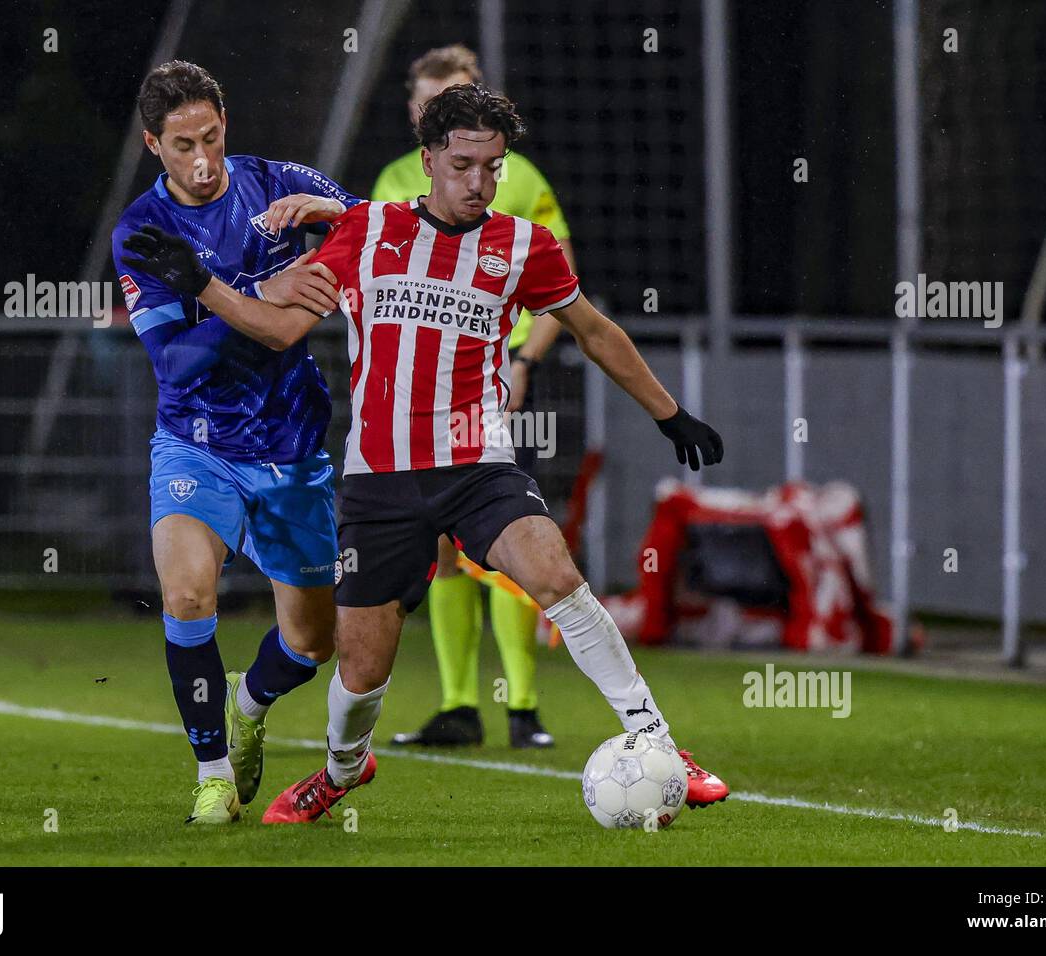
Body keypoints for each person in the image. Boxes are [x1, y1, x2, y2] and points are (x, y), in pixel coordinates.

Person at [240, 83, 730, 823]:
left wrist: (670, 414)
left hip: (479, 465)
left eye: (493, 166)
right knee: (362, 668)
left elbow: (593, 330)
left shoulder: (523, 245)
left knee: (558, 576)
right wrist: (213, 286)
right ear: (429, 158)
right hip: (380, 481)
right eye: (464, 164)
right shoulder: (367, 231)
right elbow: (280, 317)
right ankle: (342, 772)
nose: (480, 182)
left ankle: (657, 738)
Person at [111, 60, 360, 824]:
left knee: (313, 643)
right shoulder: (142, 233)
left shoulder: (278, 184)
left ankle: (249, 704)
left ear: (226, 123)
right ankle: (213, 775)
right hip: (197, 443)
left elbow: (389, 231)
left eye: (212, 137)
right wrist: (261, 293)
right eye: (183, 144)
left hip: (291, 444)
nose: (203, 159)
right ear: (154, 143)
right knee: (186, 594)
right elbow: (175, 360)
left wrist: (332, 208)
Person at [372, 43, 575, 749]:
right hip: (416, 405)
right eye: (431, 105)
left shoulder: (518, 181)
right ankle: (460, 705)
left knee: (513, 542)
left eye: (457, 96)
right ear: (414, 115)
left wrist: (522, 361)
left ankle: (523, 706)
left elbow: (564, 294)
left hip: (496, 387)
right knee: (445, 551)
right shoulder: (393, 181)